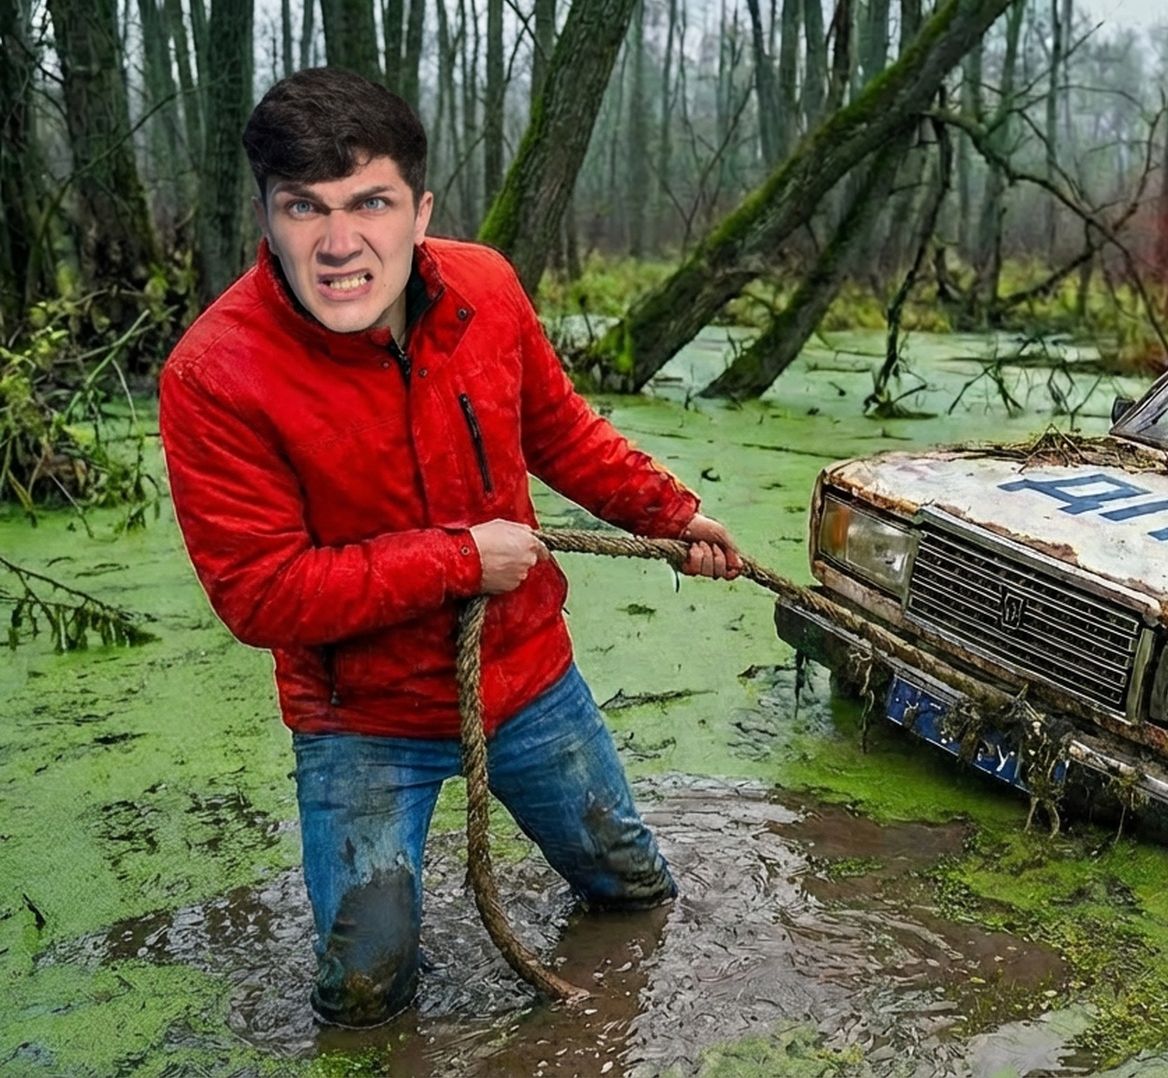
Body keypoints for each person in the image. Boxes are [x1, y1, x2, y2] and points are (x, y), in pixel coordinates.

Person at [157, 67, 742, 1028]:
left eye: (370, 203)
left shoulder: (486, 289)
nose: (339, 243)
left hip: (529, 680)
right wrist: (461, 560)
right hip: (359, 721)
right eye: (305, 207)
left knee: (634, 895)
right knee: (363, 991)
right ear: (266, 216)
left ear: (419, 211)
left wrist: (668, 515)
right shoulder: (214, 375)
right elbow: (261, 594)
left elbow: (558, 430)